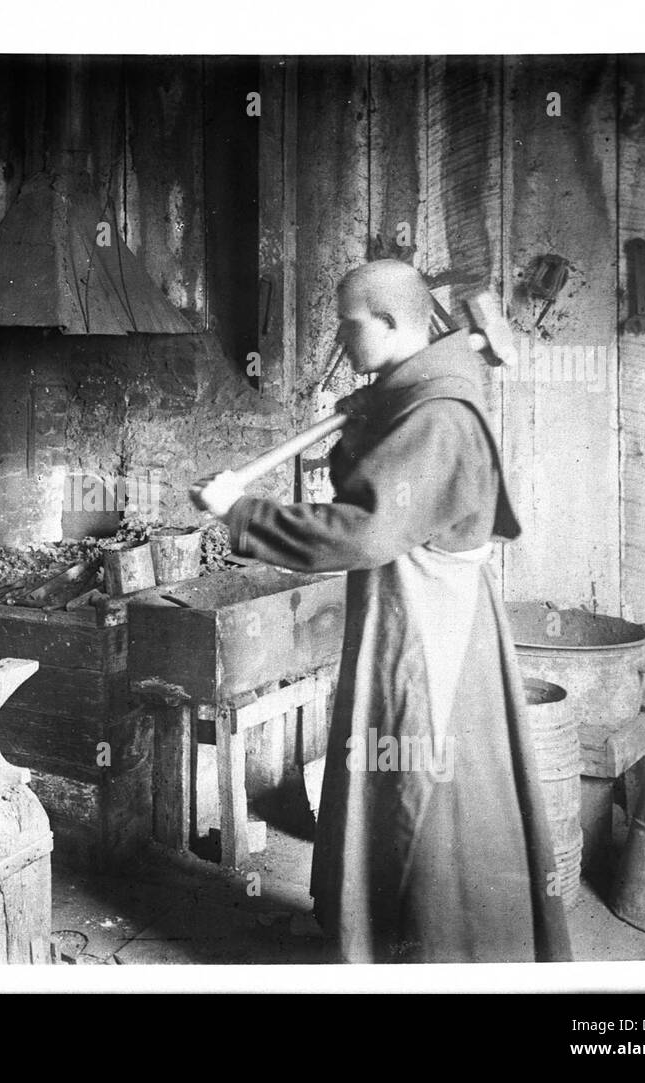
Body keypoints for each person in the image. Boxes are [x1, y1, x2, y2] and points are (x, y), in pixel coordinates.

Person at [191, 260, 571, 963]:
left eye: (347, 322)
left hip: (431, 628)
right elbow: (373, 482)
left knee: (426, 795)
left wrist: (242, 513)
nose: (339, 337)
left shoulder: (438, 416)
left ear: (393, 323)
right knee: (384, 772)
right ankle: (371, 930)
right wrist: (369, 416)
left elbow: (361, 529)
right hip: (404, 607)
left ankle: (438, 955)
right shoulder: (420, 392)